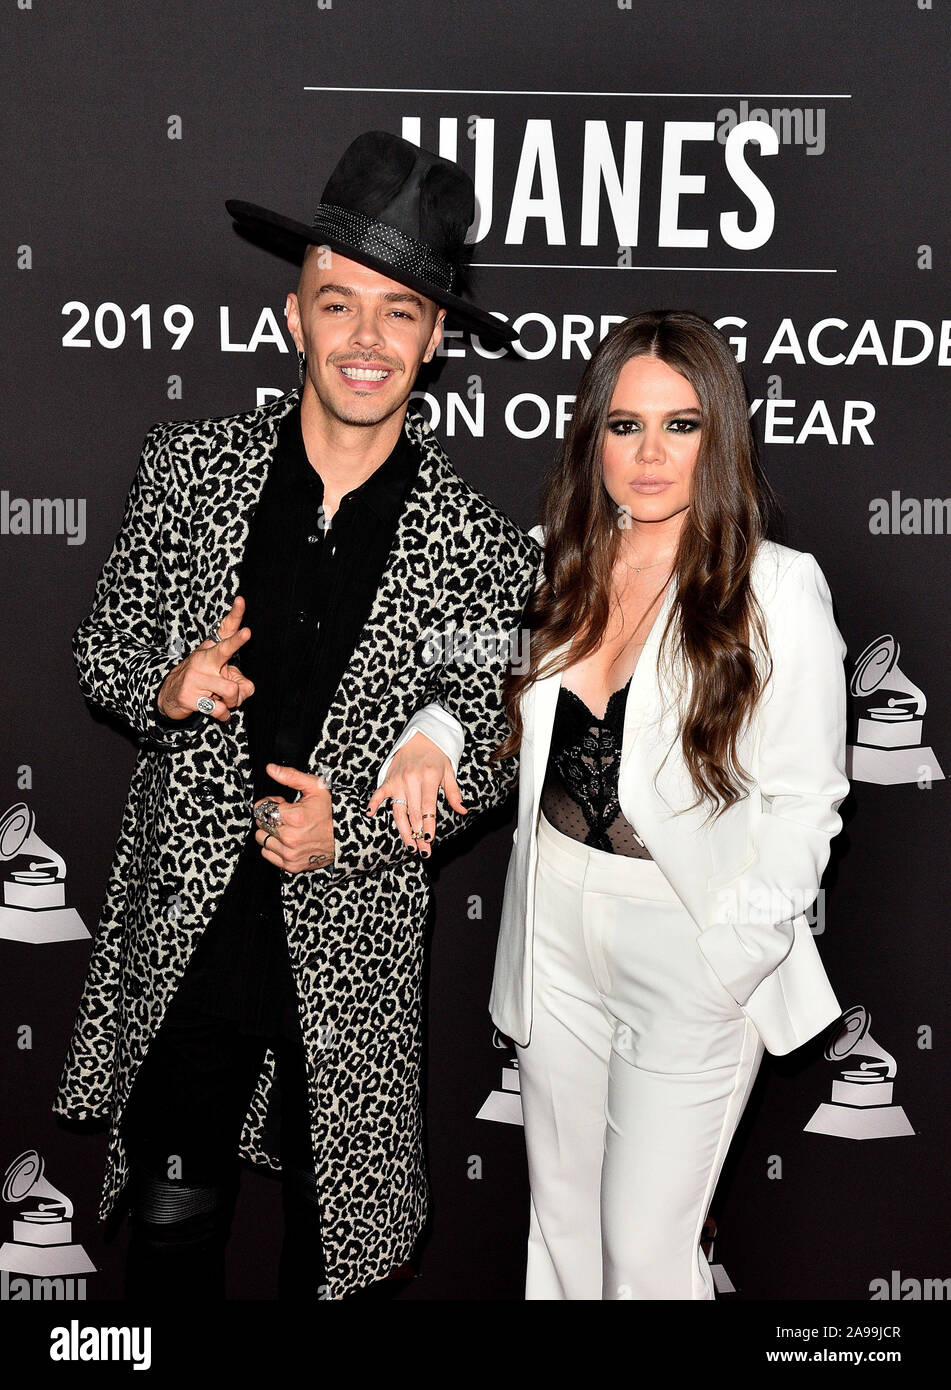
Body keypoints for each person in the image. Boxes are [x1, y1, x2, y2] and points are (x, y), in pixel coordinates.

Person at [52, 130, 540, 1301]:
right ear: (294, 317)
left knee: (334, 1264)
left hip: (350, 954)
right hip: (191, 935)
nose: (366, 338)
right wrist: (169, 686)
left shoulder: (477, 549)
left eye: (399, 312)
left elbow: (506, 742)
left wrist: (355, 834)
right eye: (339, 304)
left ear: (432, 341)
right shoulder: (187, 472)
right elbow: (102, 653)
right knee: (172, 1229)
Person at [371, 309, 850, 1300]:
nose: (650, 453)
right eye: (625, 425)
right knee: (563, 1240)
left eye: (681, 425)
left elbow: (809, 801)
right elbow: (480, 690)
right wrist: (435, 732)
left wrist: (737, 951)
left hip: (688, 942)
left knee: (644, 1258)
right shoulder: (559, 558)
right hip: (554, 935)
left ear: (719, 434)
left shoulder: (777, 587)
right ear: (593, 436)